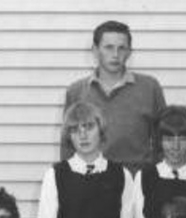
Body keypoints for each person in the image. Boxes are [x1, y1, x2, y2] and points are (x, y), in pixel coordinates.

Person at [62, 20, 166, 173]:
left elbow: (163, 140)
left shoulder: (150, 88)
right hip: (89, 180)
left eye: (122, 48)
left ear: (129, 52)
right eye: (108, 48)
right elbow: (67, 145)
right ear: (95, 50)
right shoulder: (76, 92)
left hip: (136, 182)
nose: (115, 55)